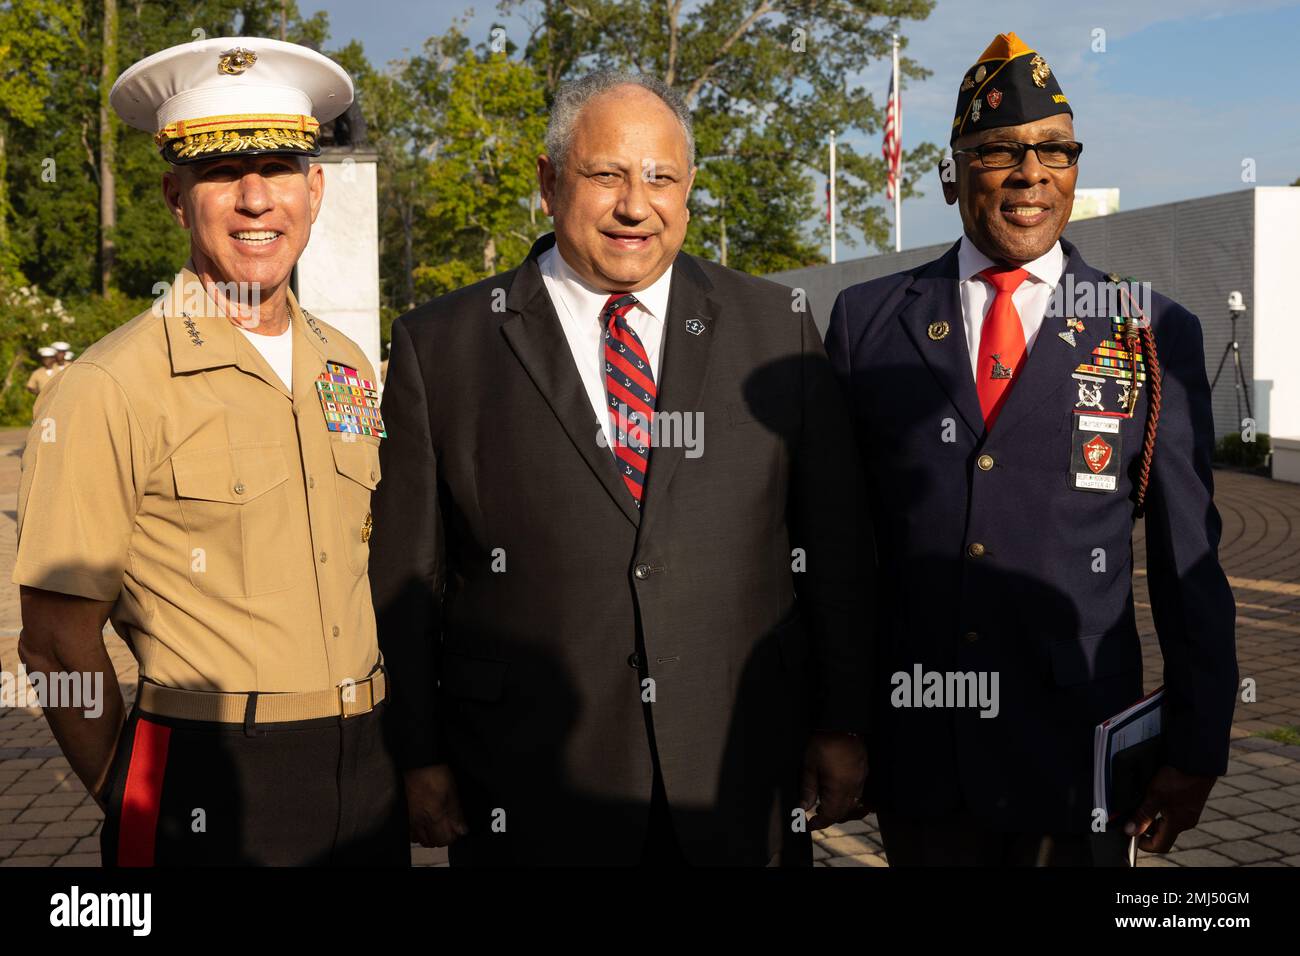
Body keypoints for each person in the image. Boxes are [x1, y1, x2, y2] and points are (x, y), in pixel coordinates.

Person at [370, 70, 874, 866]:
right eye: (606, 174)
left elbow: (835, 550)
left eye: (661, 178)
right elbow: (405, 575)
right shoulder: (442, 347)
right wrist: (417, 753)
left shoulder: (777, 329)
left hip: (740, 776)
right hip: (528, 786)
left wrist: (842, 721)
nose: (635, 204)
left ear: (688, 188)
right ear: (548, 181)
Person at [825, 32, 1237, 866]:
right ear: (953, 170)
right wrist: (838, 719)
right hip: (921, 750)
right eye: (999, 151)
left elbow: (1189, 555)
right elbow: (839, 548)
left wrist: (1198, 745)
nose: (1030, 173)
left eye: (1055, 150)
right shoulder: (867, 322)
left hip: (1076, 753)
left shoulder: (1149, 329)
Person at [13, 36, 406, 867]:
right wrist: (128, 793)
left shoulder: (345, 362)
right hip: (209, 771)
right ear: (174, 197)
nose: (256, 199)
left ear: (317, 188)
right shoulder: (111, 386)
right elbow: (54, 643)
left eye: (279, 168)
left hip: (368, 765)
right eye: (223, 174)